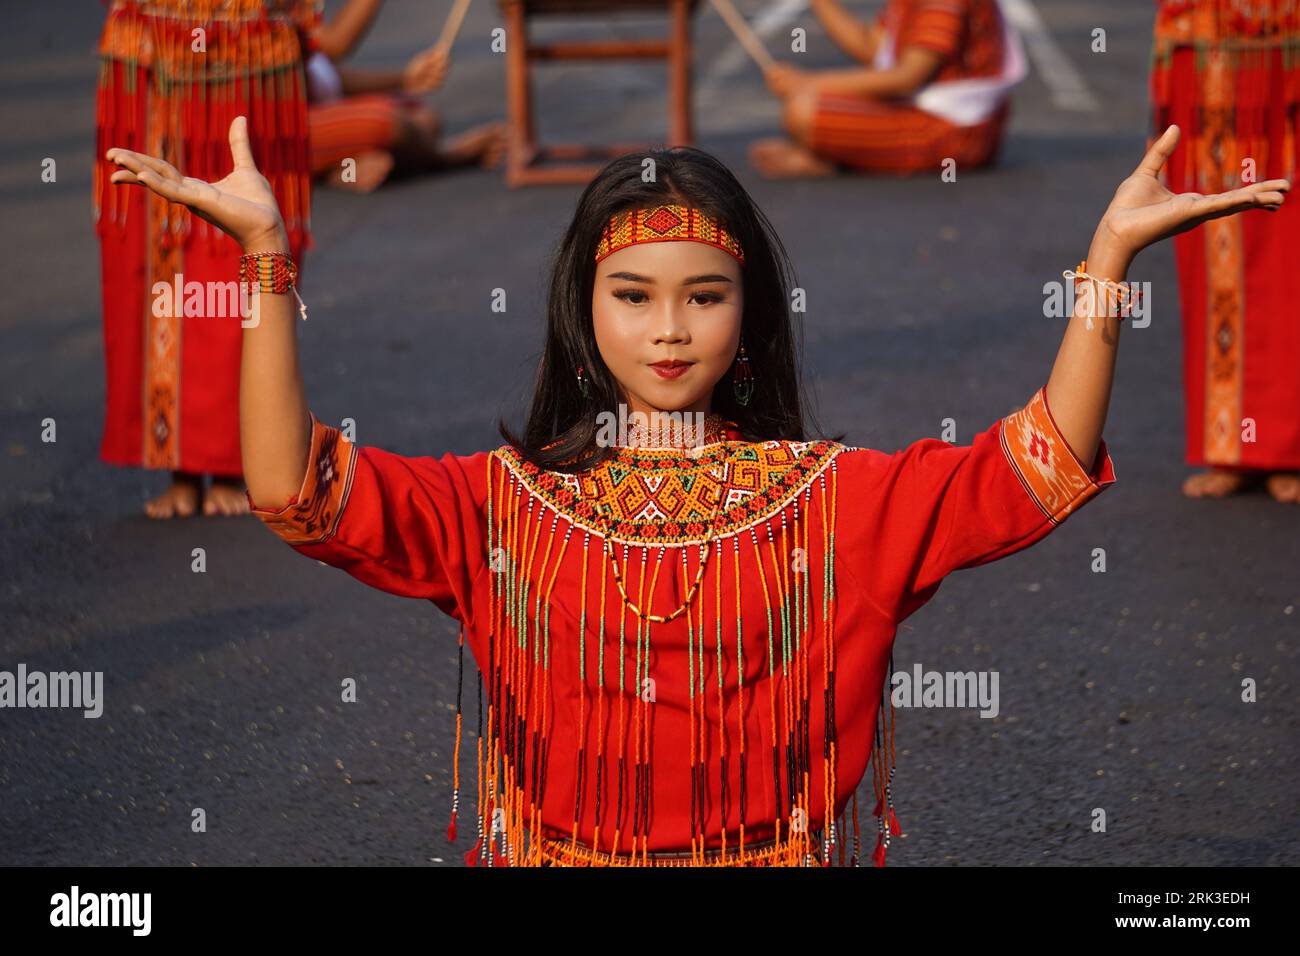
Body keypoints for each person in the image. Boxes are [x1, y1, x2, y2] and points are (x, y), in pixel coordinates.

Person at [104, 117, 1287, 864]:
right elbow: (292, 487)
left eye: (704, 295)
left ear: (751, 315)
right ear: (585, 309)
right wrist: (264, 263)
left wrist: (1104, 269)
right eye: (633, 294)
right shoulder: (502, 502)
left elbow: (1031, 465)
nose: (668, 328)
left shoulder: (830, 497)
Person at [93, 0, 321, 518]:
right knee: (160, 261)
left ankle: (233, 462)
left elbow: (328, 41)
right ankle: (181, 465)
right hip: (156, 71)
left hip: (253, 76)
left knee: (235, 263)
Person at [1151, 0, 1300, 502]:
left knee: (1290, 248)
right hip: (1209, 49)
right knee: (1214, 231)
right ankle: (1231, 442)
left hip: (1289, 48)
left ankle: (1288, 447)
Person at [751, 0, 1024, 178]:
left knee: (803, 111)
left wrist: (807, 83)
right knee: (805, 104)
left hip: (956, 130)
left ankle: (837, 161)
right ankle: (836, 157)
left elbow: (908, 76)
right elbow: (871, 46)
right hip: (938, 114)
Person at [304, 0, 505, 192]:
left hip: (320, 106)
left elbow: (324, 73)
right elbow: (334, 43)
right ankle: (445, 157)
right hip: (288, 129)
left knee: (426, 119)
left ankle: (340, 167)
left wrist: (405, 79)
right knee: (387, 122)